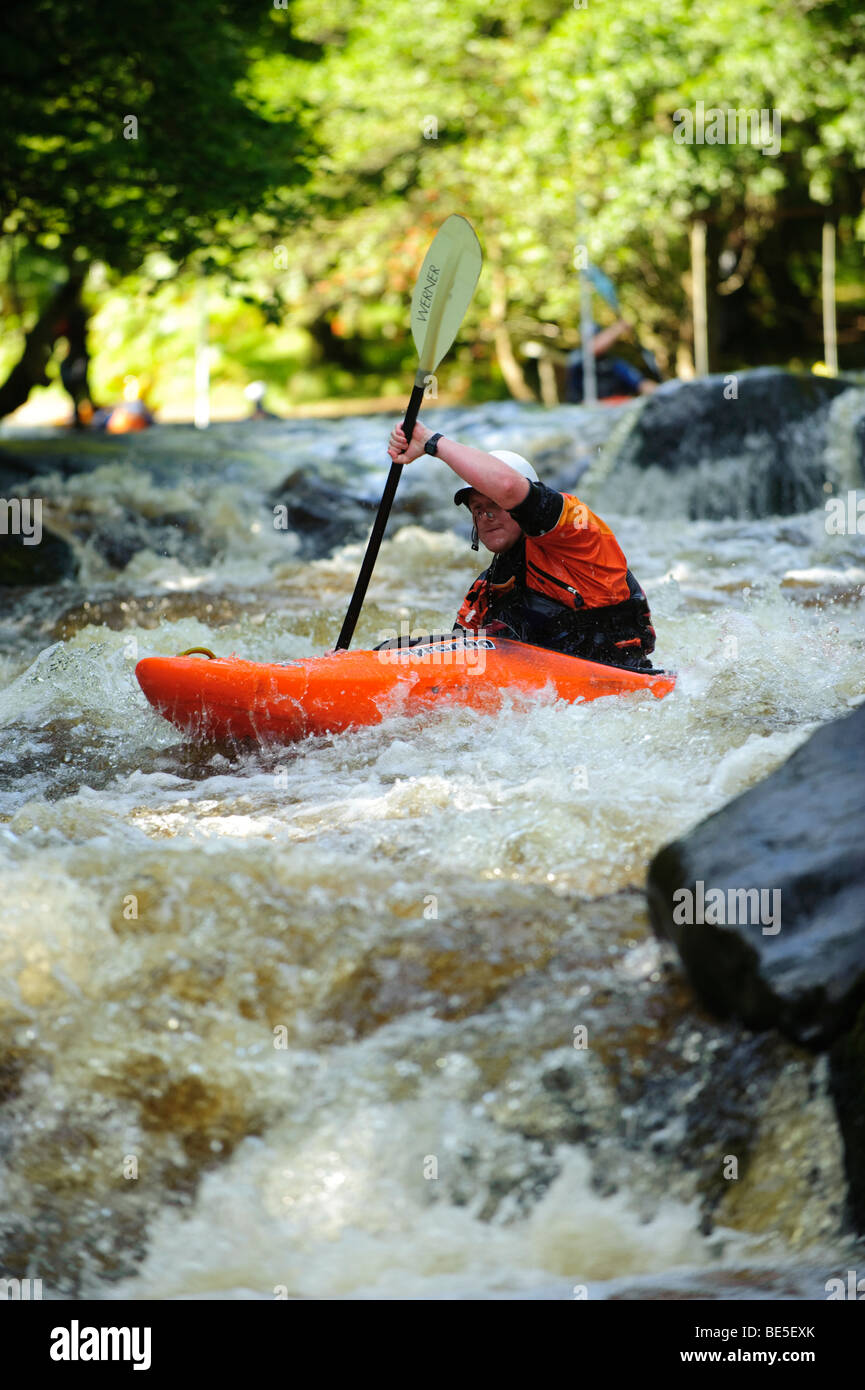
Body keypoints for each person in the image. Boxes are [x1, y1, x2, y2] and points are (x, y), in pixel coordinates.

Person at [386, 423, 659, 672]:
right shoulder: (485, 590)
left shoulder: (576, 536)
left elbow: (507, 486)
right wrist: (387, 655)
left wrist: (430, 441)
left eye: (494, 503)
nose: (485, 515)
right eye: (477, 508)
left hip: (623, 684)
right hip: (552, 702)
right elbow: (457, 654)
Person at [565, 319, 658, 403]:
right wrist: (618, 328)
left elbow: (642, 384)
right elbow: (594, 348)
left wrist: (662, 392)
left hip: (614, 413)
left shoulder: (614, 363)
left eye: (596, 337)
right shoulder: (577, 358)